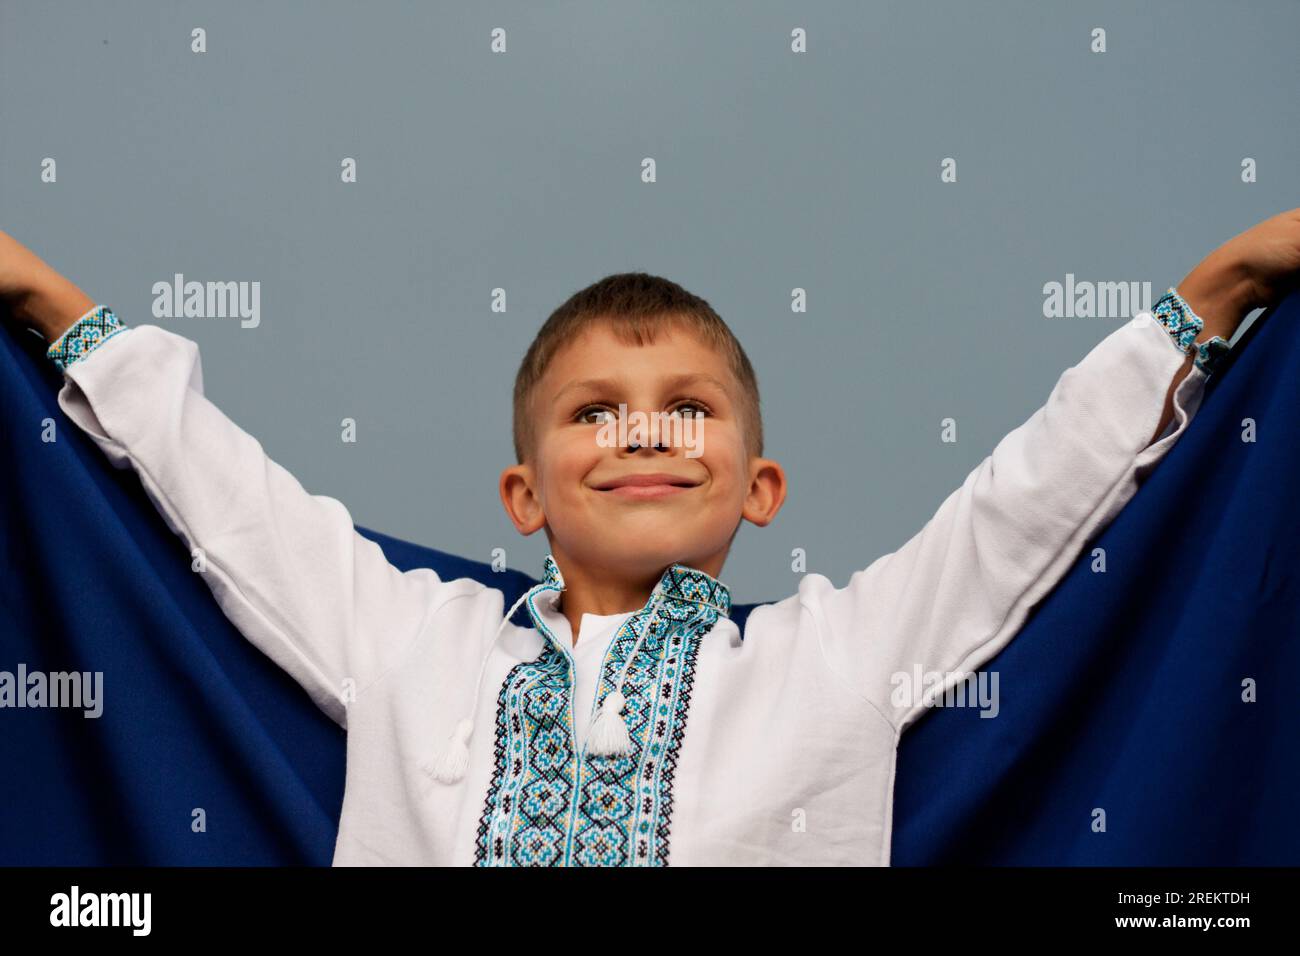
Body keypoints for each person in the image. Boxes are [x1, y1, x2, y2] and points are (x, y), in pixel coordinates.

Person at [2, 210, 1297, 865]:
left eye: (689, 408)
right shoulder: (413, 646)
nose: (642, 433)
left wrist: (1218, 289)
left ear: (759, 487)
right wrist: (46, 299)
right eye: (593, 412)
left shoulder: (833, 662)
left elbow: (1018, 515)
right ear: (524, 497)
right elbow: (235, 508)